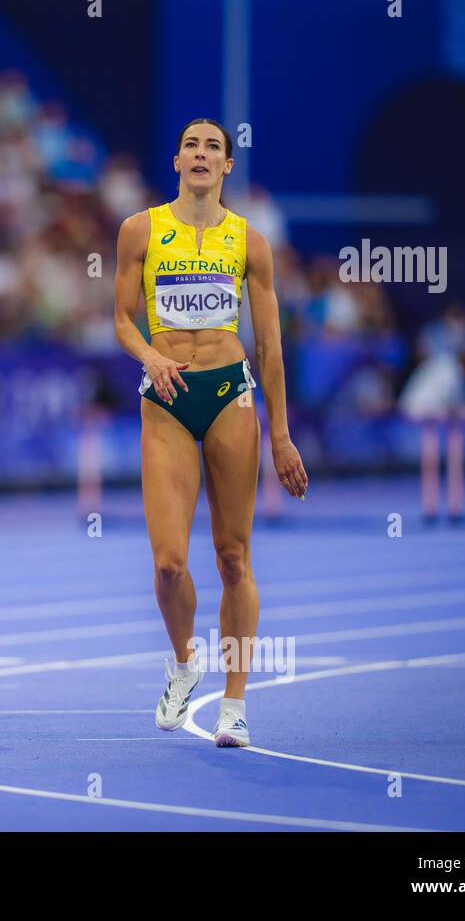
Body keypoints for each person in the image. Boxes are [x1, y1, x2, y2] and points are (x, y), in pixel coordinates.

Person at [112, 120, 307, 747]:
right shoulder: (141, 229)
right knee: (169, 563)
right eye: (192, 146)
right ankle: (185, 660)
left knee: (232, 555)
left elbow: (271, 342)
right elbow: (119, 320)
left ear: (227, 166)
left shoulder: (248, 241)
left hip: (229, 394)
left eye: (213, 148)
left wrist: (280, 435)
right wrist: (149, 356)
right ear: (176, 160)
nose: (201, 154)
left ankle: (235, 703)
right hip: (166, 397)